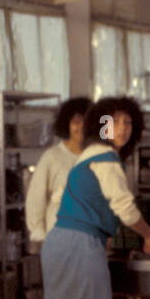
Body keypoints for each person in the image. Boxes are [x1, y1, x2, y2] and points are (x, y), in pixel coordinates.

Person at [37, 96, 150, 299]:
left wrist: (105, 232)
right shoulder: (105, 158)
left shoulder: (88, 155)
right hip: (78, 246)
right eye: (114, 122)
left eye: (128, 122)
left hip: (61, 242)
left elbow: (88, 204)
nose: (123, 128)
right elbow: (125, 208)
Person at [25, 96, 92, 250]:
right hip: (59, 237)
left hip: (91, 238)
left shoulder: (97, 155)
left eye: (86, 122)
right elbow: (36, 199)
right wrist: (39, 234)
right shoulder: (52, 156)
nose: (81, 127)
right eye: (76, 122)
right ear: (66, 124)